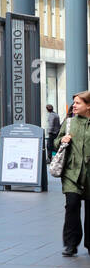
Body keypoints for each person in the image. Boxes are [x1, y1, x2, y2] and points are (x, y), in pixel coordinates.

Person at [58, 90, 90, 256]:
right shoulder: (69, 123)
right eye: (74, 103)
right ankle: (71, 244)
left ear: (88, 106)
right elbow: (56, 141)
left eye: (78, 103)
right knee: (71, 206)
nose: (74, 106)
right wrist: (62, 140)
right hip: (72, 173)